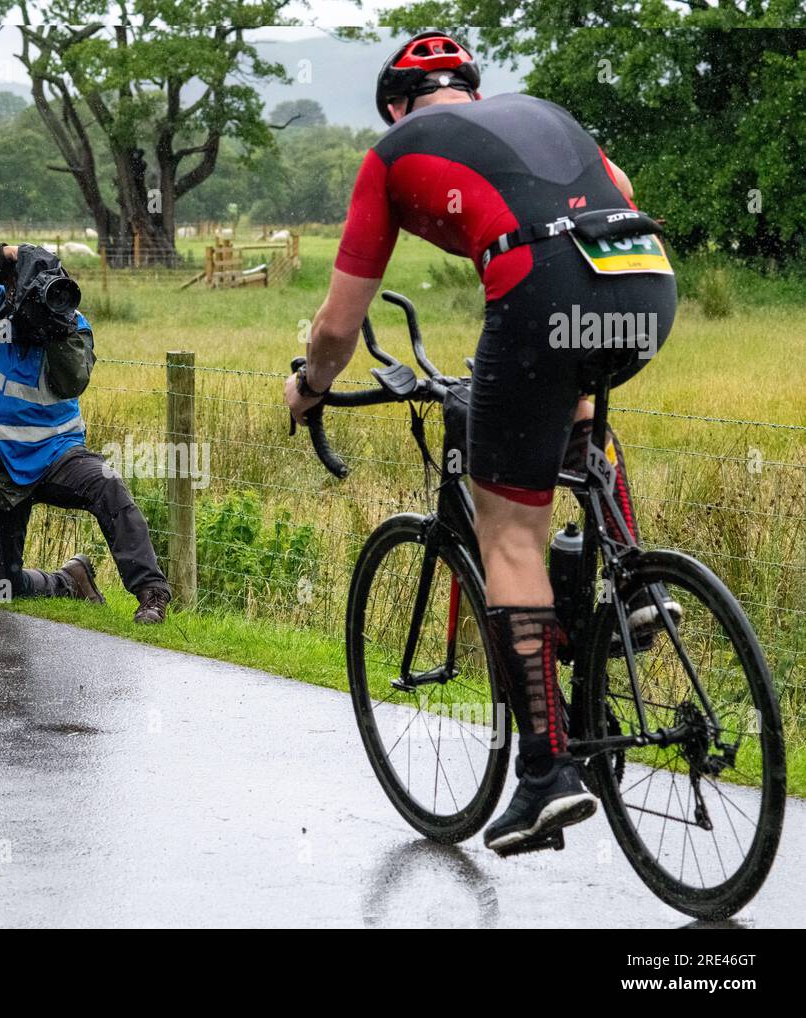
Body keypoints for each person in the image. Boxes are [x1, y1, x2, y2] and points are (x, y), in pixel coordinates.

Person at [284, 31, 679, 853]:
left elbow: (338, 325)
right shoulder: (539, 111)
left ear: (396, 105)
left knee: (508, 532)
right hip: (643, 277)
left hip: (541, 286)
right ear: (470, 91)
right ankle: (632, 582)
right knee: (571, 410)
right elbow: (620, 189)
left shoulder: (392, 154)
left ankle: (546, 774)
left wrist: (309, 386)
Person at [0, 242, 172, 624]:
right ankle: (69, 581)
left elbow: (73, 381)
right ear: (7, 284)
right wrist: (4, 253)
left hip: (54, 453)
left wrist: (53, 328)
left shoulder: (72, 324)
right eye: (25, 284)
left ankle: (152, 595)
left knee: (107, 484)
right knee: (0, 591)